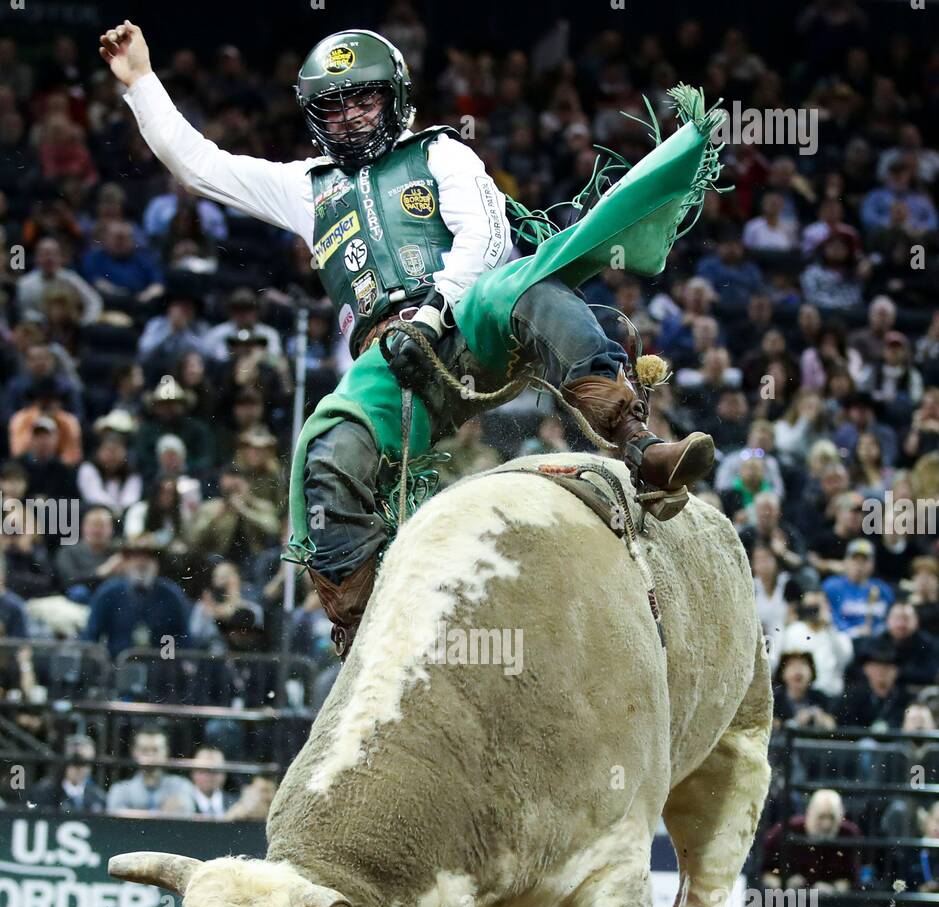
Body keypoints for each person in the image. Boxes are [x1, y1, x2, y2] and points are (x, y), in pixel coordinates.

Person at [103, 21, 724, 656]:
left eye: (363, 99)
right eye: (333, 106)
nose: (348, 117)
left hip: (468, 322)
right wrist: (141, 83)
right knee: (324, 447)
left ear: (396, 97)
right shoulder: (306, 187)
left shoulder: (442, 151)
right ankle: (362, 622)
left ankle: (640, 449)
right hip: (389, 363)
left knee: (523, 290)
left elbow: (484, 238)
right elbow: (200, 165)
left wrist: (430, 313)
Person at [761, 788, 862, 892]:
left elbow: (852, 879)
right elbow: (762, 870)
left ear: (841, 816)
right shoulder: (785, 830)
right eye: (821, 817)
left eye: (832, 818)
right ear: (809, 813)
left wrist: (833, 888)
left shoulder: (848, 834)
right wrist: (783, 884)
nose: (826, 824)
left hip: (832, 904)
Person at [106, 725, 194, 813]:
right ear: (134, 752)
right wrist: (163, 812)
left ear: (166, 751)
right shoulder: (120, 790)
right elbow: (116, 821)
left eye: (156, 750)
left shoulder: (181, 786)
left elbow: (186, 815)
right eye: (144, 750)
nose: (150, 756)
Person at [31, 734, 107, 814]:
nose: (78, 768)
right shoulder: (43, 792)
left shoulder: (98, 798)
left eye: (83, 763)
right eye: (74, 761)